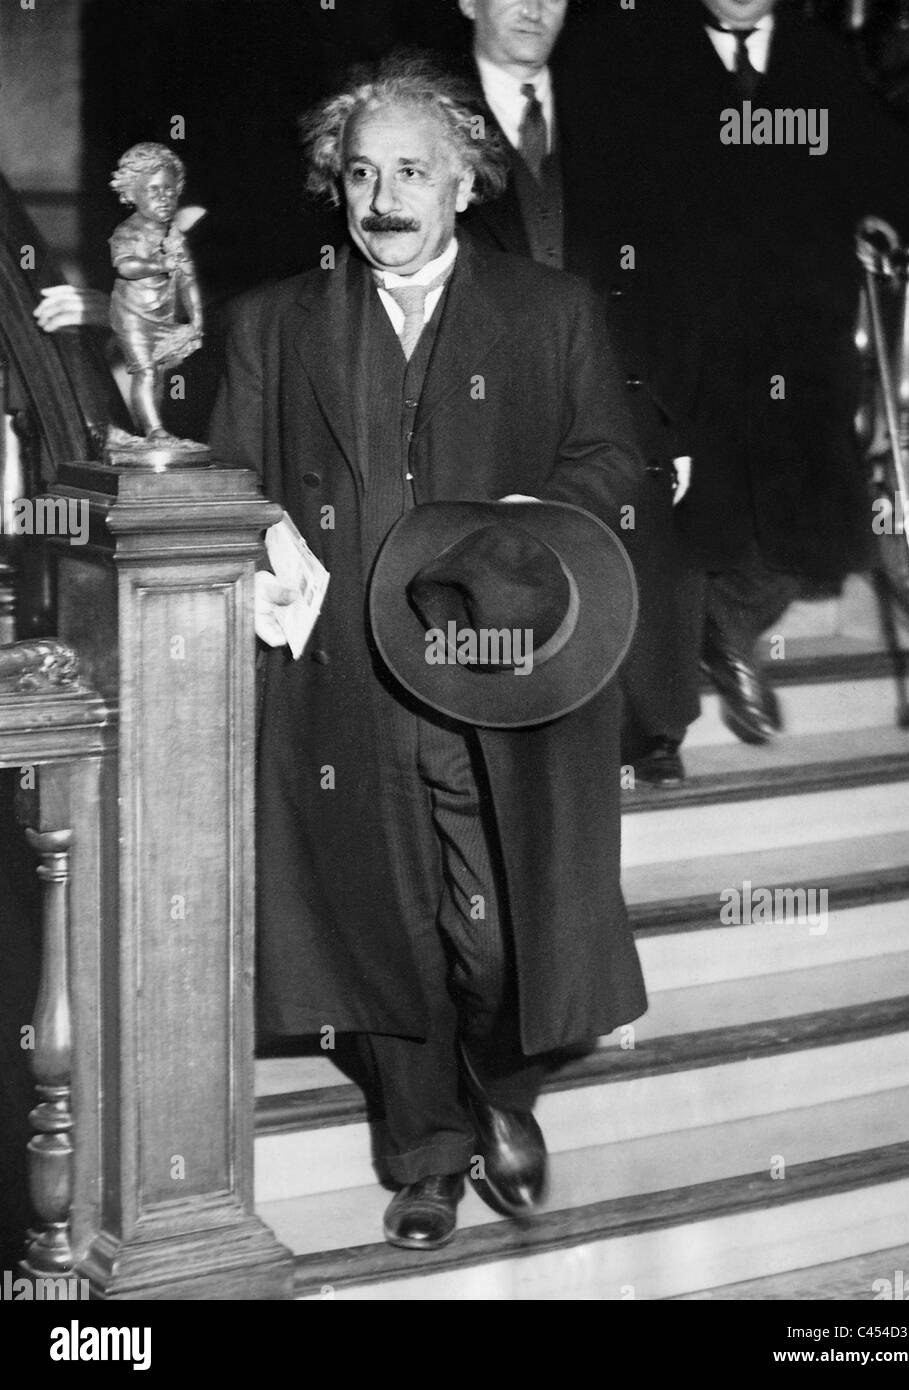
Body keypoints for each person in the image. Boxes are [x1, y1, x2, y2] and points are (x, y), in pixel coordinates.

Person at [207, 52, 651, 1251]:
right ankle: (426, 1152)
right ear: (333, 189)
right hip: (345, 679)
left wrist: (520, 524)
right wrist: (263, 524)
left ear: (465, 183)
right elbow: (223, 482)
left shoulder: (549, 310)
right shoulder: (270, 323)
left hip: (501, 664)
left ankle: (504, 1088)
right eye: (359, 174)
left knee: (506, 928)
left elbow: (613, 463)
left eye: (412, 171)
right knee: (379, 917)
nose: (382, 198)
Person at [573, 0, 909, 747]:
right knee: (688, 521)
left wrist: (888, 222)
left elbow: (884, 165)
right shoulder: (640, 52)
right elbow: (605, 192)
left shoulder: (817, 60)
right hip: (681, 341)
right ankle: (659, 706)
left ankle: (728, 629)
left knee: (822, 527)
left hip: (801, 344)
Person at [454, 0, 699, 786]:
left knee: (642, 549)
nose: (532, 8)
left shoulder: (615, 116)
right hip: (485, 387)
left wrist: (678, 415)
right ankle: (522, 735)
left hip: (619, 386)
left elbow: (669, 276)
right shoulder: (430, 116)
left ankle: (652, 732)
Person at [107, 143, 204, 443]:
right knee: (145, 371)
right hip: (132, 315)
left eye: (170, 191)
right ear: (130, 194)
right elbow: (126, 266)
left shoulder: (172, 234)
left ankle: (150, 426)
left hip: (163, 313)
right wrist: (161, 262)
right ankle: (153, 430)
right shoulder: (128, 232)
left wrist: (197, 318)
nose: (164, 198)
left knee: (158, 374)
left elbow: (187, 279)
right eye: (153, 190)